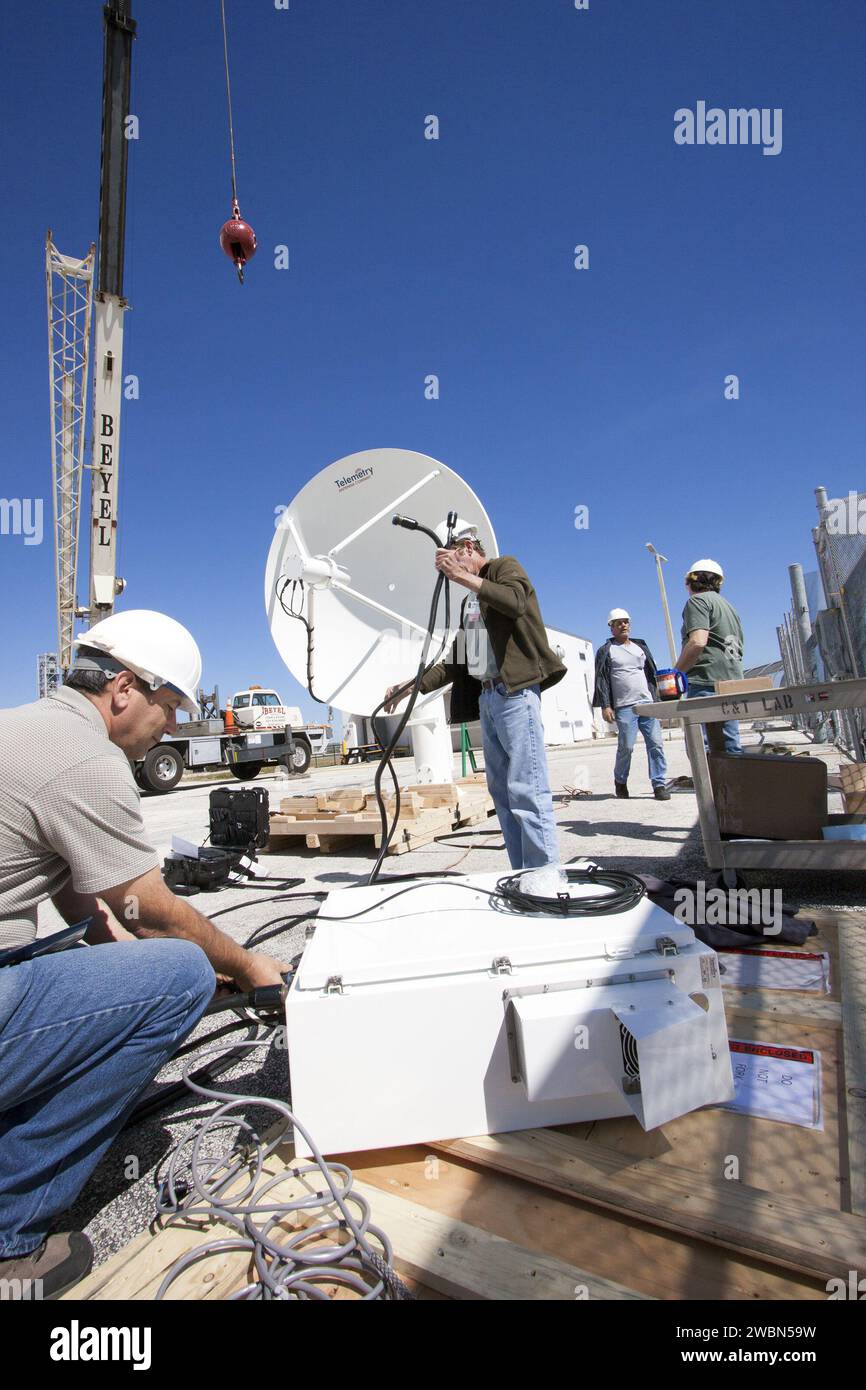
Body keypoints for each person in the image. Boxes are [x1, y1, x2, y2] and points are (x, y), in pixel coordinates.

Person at [0, 609, 288, 1299]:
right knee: (185, 969)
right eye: (167, 709)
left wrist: (133, 980)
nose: (169, 726)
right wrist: (248, 969)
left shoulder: (26, 729)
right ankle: (10, 1237)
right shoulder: (86, 757)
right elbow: (152, 906)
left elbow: (88, 904)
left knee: (145, 971)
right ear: (124, 688)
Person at [384, 525, 565, 869]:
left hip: (515, 695)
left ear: (467, 548)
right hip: (488, 700)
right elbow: (456, 661)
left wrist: (464, 578)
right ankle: (522, 874)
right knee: (504, 795)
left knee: (527, 788)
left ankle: (545, 877)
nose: (448, 572)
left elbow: (514, 602)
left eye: (450, 560)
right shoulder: (470, 601)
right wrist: (411, 686)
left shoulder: (505, 568)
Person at [592, 609, 670, 800]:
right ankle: (620, 781)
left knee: (656, 744)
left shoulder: (640, 646)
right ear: (611, 628)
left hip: (647, 703)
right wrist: (605, 705)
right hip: (624, 706)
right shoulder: (606, 650)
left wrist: (658, 697)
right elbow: (601, 679)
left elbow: (651, 673)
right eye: (618, 623)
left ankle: (659, 784)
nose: (623, 625)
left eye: (626, 622)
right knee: (626, 746)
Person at [675, 559, 744, 754]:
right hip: (731, 682)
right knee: (730, 745)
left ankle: (711, 785)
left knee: (702, 749)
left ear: (691, 581)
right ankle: (735, 784)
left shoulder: (698, 601)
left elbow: (697, 641)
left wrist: (676, 672)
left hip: (706, 681)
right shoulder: (729, 607)